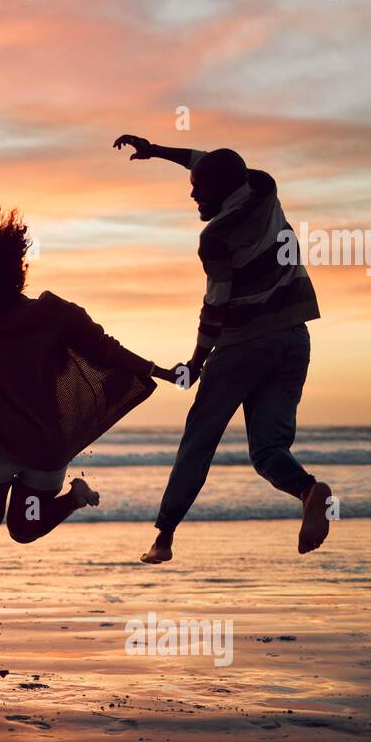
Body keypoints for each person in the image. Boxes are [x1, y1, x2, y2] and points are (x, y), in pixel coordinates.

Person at [0, 189, 175, 627]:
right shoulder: (53, 314)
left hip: (9, 444)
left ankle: (66, 506)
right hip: (34, 446)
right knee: (12, 526)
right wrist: (158, 368)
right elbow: (109, 350)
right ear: (19, 273)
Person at [112, 133, 332, 561]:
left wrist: (195, 363)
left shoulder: (216, 238)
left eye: (200, 190)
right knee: (268, 449)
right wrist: (157, 151)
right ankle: (308, 491)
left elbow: (215, 305)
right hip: (294, 339)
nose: (193, 194)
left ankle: (164, 536)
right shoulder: (264, 187)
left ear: (224, 189)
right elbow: (209, 163)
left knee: (198, 441)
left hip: (242, 347)